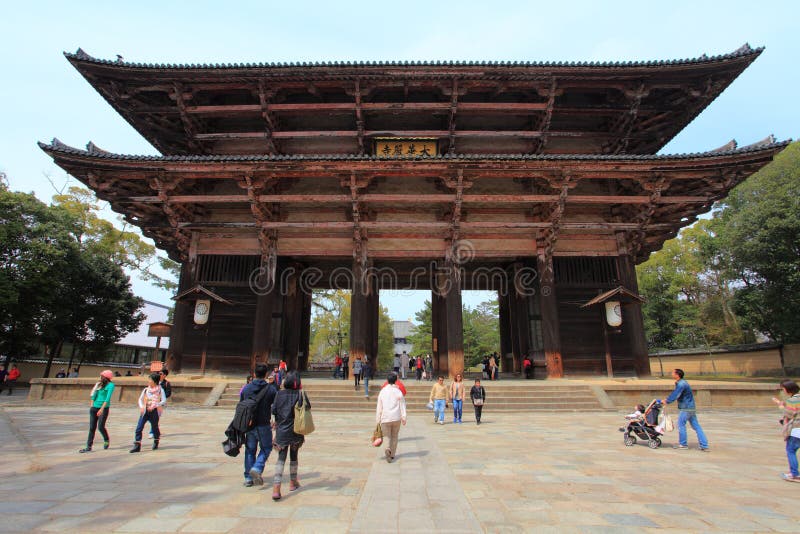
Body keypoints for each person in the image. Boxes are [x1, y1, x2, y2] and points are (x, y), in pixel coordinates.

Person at [271, 371, 308, 500]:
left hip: (282, 430)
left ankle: (276, 488)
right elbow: (307, 408)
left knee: (281, 459)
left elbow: (274, 410)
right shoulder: (300, 394)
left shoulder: (278, 394)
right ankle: (293, 482)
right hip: (296, 430)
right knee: (294, 457)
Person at [240, 364, 277, 487]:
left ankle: (248, 478)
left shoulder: (246, 389)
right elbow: (275, 406)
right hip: (263, 424)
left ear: (254, 374)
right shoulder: (271, 389)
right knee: (266, 448)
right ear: (266, 374)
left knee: (250, 450)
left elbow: (241, 405)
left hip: (249, 424)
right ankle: (257, 467)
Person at [661, 369, 709, 451]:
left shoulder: (681, 384)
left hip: (686, 408)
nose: (671, 373)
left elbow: (676, 394)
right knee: (696, 426)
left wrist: (667, 400)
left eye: (673, 372)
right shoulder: (682, 383)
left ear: (677, 375)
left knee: (681, 425)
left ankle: (683, 444)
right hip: (691, 407)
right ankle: (704, 445)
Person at [79, 370, 115, 453]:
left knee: (100, 427)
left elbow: (107, 398)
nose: (100, 377)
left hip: (104, 408)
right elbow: (93, 396)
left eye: (102, 376)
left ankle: (106, 439)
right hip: (94, 407)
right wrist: (92, 406)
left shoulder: (111, 385)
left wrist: (101, 409)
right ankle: (88, 446)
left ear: (106, 377)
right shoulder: (98, 385)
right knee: (92, 428)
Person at [130, 372, 166, 453]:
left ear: (155, 381)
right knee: (139, 427)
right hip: (145, 410)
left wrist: (156, 404)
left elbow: (163, 400)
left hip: (154, 411)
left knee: (154, 427)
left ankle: (156, 440)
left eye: (150, 379)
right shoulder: (146, 390)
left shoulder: (160, 390)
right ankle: (137, 444)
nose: (149, 381)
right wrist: (141, 406)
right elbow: (140, 399)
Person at [772, 379, 800, 482]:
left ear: (788, 390)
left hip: (796, 428)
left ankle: (794, 474)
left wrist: (780, 406)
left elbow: (788, 414)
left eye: (783, 389)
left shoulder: (792, 400)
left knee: (791, 450)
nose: (783, 391)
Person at [376, 373, 407, 463]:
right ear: (395, 380)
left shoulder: (382, 391)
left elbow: (379, 407)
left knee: (386, 436)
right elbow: (402, 405)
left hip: (385, 418)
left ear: (387, 380)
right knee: (394, 436)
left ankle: (387, 449)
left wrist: (378, 419)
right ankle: (392, 454)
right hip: (396, 418)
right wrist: (404, 417)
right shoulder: (398, 392)